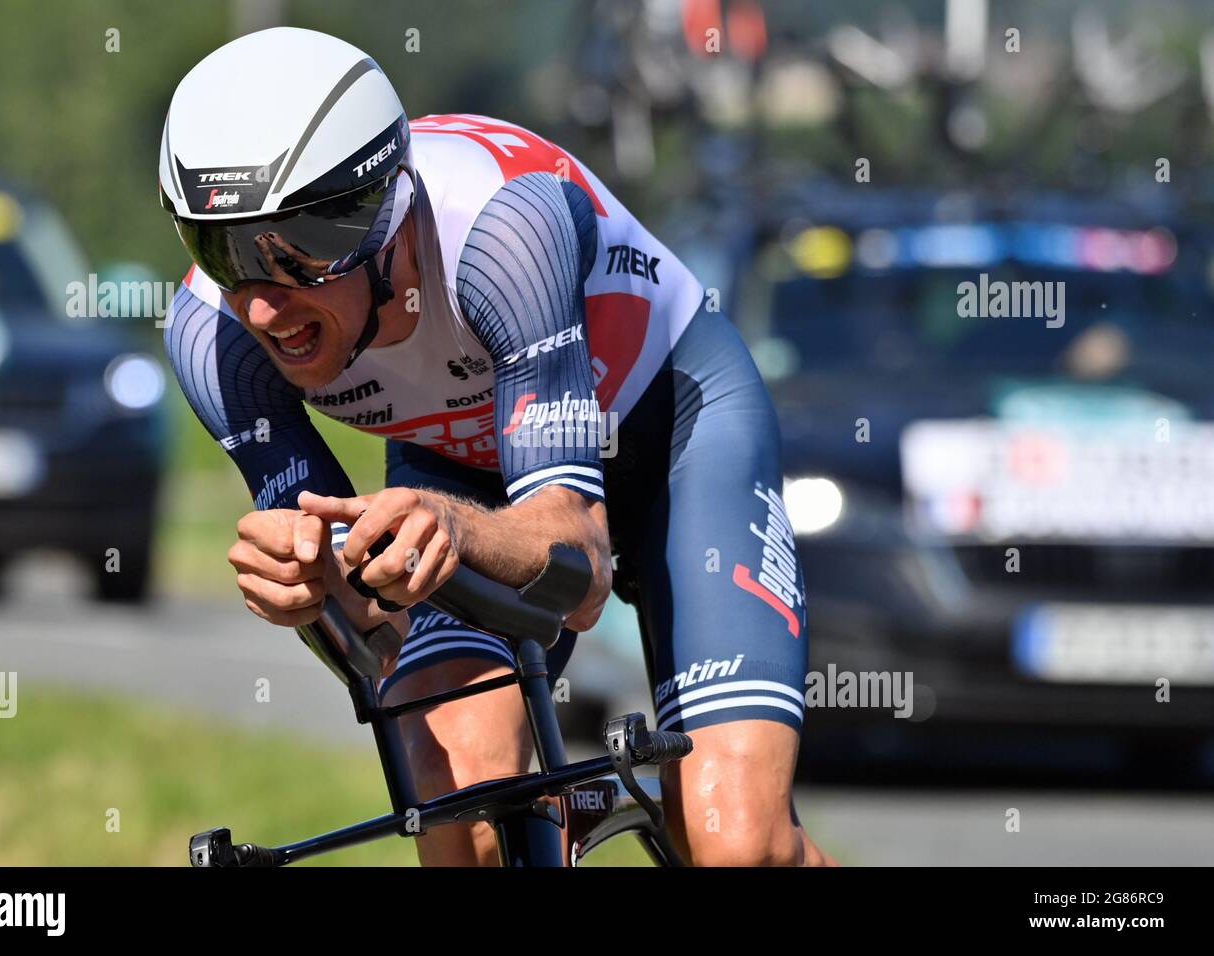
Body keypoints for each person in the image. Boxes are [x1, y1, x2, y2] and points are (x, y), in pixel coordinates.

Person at [160, 26, 833, 866]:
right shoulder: (210, 337)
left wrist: (451, 526)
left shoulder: (500, 232)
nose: (263, 307)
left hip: (671, 432)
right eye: (220, 248)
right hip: (459, 477)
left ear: (380, 215)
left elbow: (578, 575)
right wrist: (316, 593)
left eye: (299, 251)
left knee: (736, 843)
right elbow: (377, 638)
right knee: (462, 808)